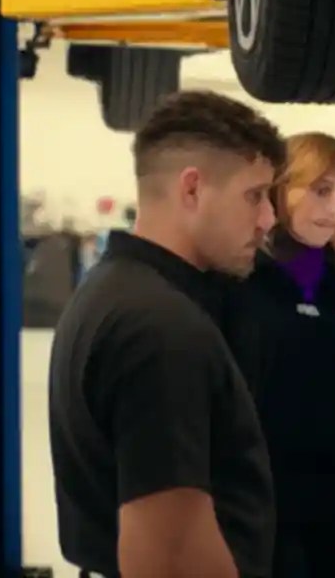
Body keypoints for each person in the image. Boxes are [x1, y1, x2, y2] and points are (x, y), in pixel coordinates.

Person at [48, 90, 284, 578]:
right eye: (254, 196)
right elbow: (169, 555)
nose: (268, 220)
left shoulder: (112, 293)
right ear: (192, 189)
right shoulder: (159, 329)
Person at [228, 132, 335, 578]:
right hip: (263, 499)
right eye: (320, 190)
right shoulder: (245, 280)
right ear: (281, 188)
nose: (334, 208)